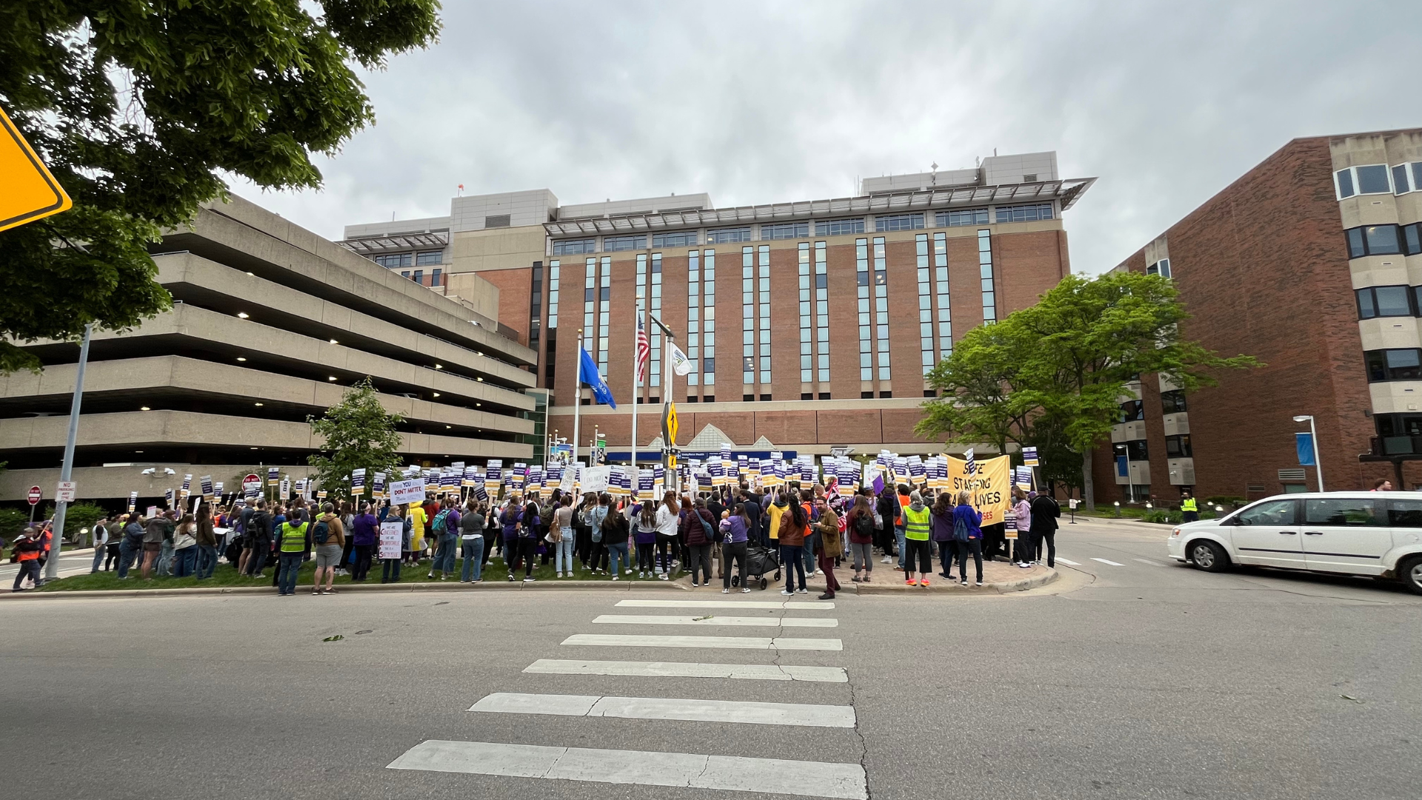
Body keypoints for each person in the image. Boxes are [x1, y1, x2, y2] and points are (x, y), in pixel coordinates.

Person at [777, 494, 809, 595]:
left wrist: (780, 536)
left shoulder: (787, 514)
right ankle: (802, 587)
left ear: (788, 503)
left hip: (788, 542)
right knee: (799, 564)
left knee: (789, 565)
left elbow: (782, 528)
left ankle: (789, 588)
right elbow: (804, 527)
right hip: (799, 542)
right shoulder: (801, 514)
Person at [310, 502, 345, 594]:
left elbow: (312, 533)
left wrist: (315, 544)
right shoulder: (336, 520)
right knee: (330, 566)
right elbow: (340, 534)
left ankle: (316, 588)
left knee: (320, 567)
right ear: (332, 509)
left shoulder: (319, 521)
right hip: (333, 545)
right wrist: (342, 544)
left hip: (320, 546)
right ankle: (328, 588)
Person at [682, 496, 716, 588]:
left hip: (693, 539)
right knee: (705, 559)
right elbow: (714, 525)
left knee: (694, 560)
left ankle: (695, 580)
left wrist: (685, 540)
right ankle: (706, 580)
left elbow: (686, 528)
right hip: (706, 539)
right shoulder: (709, 513)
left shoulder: (691, 514)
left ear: (696, 504)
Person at [952, 489, 984, 586]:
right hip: (972, 535)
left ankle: (963, 578)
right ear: (966, 498)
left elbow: (954, 523)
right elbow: (977, 522)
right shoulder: (970, 510)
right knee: (977, 556)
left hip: (961, 536)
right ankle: (979, 578)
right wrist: (980, 514)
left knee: (962, 556)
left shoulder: (955, 510)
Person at [274, 511, 310, 596]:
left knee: (283, 570)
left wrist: (276, 550)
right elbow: (308, 540)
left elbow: (279, 539)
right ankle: (290, 590)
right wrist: (307, 551)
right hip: (298, 551)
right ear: (300, 516)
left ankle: (282, 590)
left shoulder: (285, 525)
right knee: (294, 570)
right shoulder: (305, 525)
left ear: (292, 516)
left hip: (285, 550)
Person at [901, 491, 933, 587]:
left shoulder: (906, 509)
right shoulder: (926, 509)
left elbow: (904, 523)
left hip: (911, 536)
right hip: (924, 536)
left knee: (910, 557)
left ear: (910, 498)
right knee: (925, 557)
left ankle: (912, 578)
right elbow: (931, 524)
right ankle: (924, 579)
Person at [813, 496, 842, 600]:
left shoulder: (831, 514)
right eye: (817, 504)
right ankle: (835, 585)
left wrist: (821, 526)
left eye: (821, 504)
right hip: (821, 545)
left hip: (829, 545)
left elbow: (834, 529)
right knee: (822, 565)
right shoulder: (820, 514)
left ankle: (831, 591)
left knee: (827, 567)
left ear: (826, 504)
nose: (819, 506)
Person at [720, 502, 752, 594]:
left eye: (734, 509)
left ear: (737, 510)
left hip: (728, 544)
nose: (733, 510)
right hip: (741, 543)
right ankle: (744, 587)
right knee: (743, 566)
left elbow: (722, 530)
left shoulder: (730, 519)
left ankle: (726, 588)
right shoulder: (747, 520)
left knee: (727, 566)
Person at [845, 494, 876, 583]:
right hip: (867, 537)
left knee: (858, 556)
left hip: (856, 537)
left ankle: (859, 576)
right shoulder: (869, 512)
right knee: (868, 556)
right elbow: (874, 524)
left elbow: (848, 523)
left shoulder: (853, 511)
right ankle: (868, 576)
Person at [600, 494, 630, 580]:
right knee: (625, 553)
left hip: (610, 541)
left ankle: (614, 575)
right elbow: (626, 527)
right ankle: (627, 569)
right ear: (615, 508)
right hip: (621, 540)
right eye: (617, 507)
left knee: (613, 558)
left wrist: (604, 542)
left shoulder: (606, 519)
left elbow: (604, 532)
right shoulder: (620, 517)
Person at [1030, 489, 1061, 568]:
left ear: (1039, 492)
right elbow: (1057, 514)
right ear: (1046, 492)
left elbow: (1030, 511)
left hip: (1038, 525)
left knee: (1033, 542)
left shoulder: (1034, 501)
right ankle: (1051, 563)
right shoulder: (1052, 501)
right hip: (1050, 526)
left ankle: (1032, 559)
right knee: (1050, 545)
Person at [930, 492, 957, 579]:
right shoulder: (951, 510)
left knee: (942, 552)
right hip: (949, 534)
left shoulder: (936, 509)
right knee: (948, 553)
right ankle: (946, 572)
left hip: (939, 534)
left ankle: (945, 570)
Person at [244, 500, 273, 578]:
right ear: (264, 505)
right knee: (263, 555)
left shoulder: (254, 514)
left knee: (254, 555)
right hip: (264, 537)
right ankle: (258, 572)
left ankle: (249, 572)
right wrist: (271, 539)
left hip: (255, 536)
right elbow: (268, 529)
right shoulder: (266, 515)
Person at [349, 503, 378, 582]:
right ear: (368, 508)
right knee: (365, 559)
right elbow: (376, 528)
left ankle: (354, 576)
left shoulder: (357, 517)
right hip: (367, 540)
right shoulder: (370, 517)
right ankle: (362, 576)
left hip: (357, 540)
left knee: (358, 558)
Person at [655, 491, 680, 580]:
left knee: (663, 554)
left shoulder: (662, 508)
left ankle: (664, 573)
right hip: (673, 532)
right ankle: (674, 560)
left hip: (662, 532)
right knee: (674, 546)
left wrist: (655, 526)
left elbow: (659, 522)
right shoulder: (676, 508)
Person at [500, 495, 525, 581]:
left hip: (507, 532)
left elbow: (501, 520)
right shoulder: (520, 509)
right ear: (517, 501)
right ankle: (516, 565)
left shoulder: (505, 511)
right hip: (517, 531)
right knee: (518, 550)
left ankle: (510, 566)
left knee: (510, 550)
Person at [633, 498, 659, 579]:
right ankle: (650, 571)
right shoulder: (653, 514)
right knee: (650, 554)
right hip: (651, 535)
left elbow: (637, 523)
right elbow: (656, 523)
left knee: (642, 554)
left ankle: (641, 572)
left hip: (641, 535)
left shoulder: (639, 513)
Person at [460, 501, 486, 583]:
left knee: (467, 557)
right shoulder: (479, 517)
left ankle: (464, 578)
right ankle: (475, 577)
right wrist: (487, 518)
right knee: (478, 558)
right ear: (476, 507)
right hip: (477, 537)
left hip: (466, 538)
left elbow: (461, 527)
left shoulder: (464, 517)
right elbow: (484, 526)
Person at [585, 493, 609, 574]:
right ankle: (604, 570)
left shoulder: (594, 510)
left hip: (595, 533)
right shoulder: (608, 510)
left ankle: (593, 569)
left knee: (595, 552)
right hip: (605, 534)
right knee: (605, 552)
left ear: (599, 500)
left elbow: (592, 520)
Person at [381, 504, 406, 584]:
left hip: (387, 543)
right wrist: (409, 522)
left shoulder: (385, 521)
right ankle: (395, 577)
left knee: (387, 561)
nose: (400, 511)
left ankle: (385, 577)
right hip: (397, 542)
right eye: (398, 510)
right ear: (395, 511)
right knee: (396, 560)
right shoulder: (399, 520)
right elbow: (406, 528)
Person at [552, 494, 575, 578]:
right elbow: (574, 502)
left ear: (561, 502)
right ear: (568, 502)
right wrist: (574, 493)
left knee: (559, 552)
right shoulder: (570, 510)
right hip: (568, 530)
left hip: (560, 531)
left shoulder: (557, 511)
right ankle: (569, 571)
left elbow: (554, 521)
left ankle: (559, 572)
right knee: (568, 553)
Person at [194, 505, 219, 579]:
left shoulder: (199, 519)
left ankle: (199, 575)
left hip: (200, 541)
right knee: (214, 558)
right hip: (207, 541)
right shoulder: (206, 520)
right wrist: (213, 542)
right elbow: (209, 533)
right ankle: (208, 575)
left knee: (200, 559)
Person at [1011, 488, 1034, 567]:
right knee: (1020, 544)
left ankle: (1026, 561)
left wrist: (1014, 512)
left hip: (1023, 526)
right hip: (1019, 526)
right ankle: (1023, 559)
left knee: (1022, 543)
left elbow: (1022, 515)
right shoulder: (1019, 503)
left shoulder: (1023, 504)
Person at [171, 513, 199, 578]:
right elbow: (196, 535)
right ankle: (187, 574)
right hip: (190, 544)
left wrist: (176, 543)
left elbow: (174, 536)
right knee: (188, 560)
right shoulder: (193, 526)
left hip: (179, 545)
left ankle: (177, 574)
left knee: (179, 561)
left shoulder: (179, 527)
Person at [408, 496, 428, 565]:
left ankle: (406, 561)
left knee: (408, 545)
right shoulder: (421, 510)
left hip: (409, 528)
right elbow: (424, 520)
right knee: (416, 546)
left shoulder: (408, 510)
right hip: (418, 530)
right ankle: (414, 561)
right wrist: (426, 518)